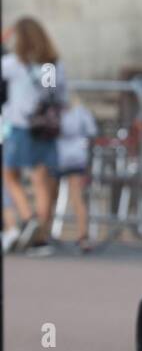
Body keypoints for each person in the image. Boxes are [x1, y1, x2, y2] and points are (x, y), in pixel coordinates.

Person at [1, 17, 67, 254]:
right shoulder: (51, 65)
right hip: (45, 126)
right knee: (41, 180)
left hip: (21, 126)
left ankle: (28, 218)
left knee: (9, 175)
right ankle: (41, 236)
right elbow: (56, 95)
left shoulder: (14, 64)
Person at [55, 94, 98, 253]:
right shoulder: (81, 111)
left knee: (51, 195)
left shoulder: (57, 110)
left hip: (58, 155)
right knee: (77, 197)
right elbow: (92, 131)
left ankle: (44, 234)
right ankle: (82, 236)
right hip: (77, 157)